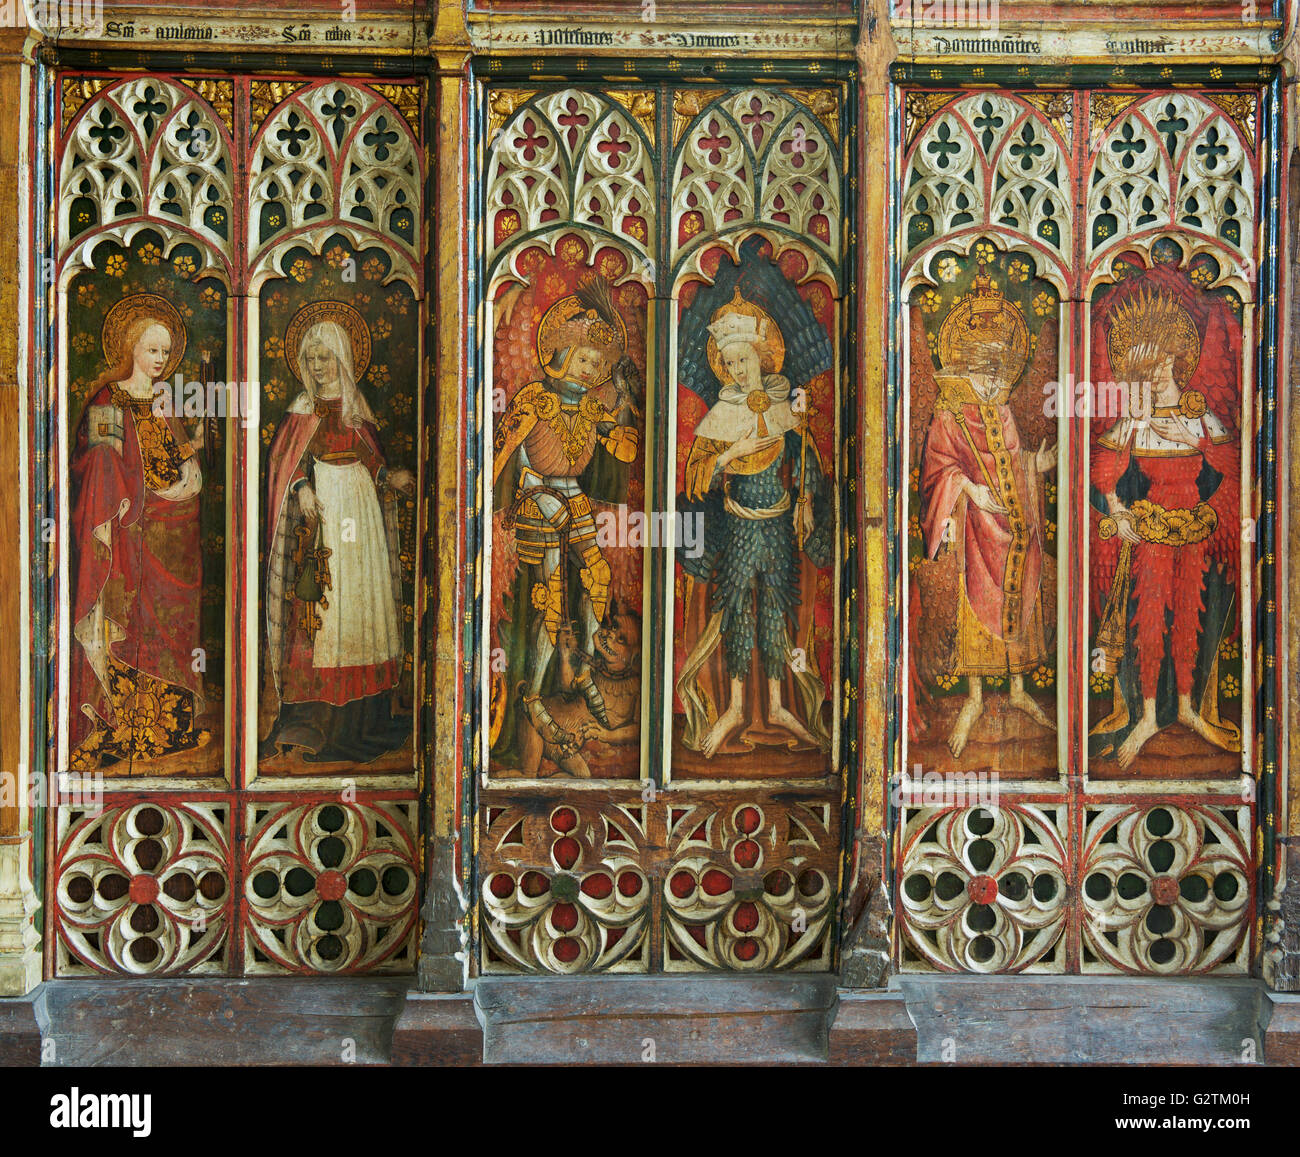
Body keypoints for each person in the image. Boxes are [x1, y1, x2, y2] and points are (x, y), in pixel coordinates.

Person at [675, 290, 832, 759]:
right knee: (737, 608)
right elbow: (696, 476)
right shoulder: (722, 414)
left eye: (743, 359)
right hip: (741, 527)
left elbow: (807, 461)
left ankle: (781, 708)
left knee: (776, 613)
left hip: (779, 525)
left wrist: (805, 499)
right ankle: (735, 709)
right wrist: (728, 454)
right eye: (730, 364)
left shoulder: (786, 405)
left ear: (760, 357)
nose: (739, 370)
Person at [490, 277, 639, 767]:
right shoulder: (536, 398)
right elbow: (504, 447)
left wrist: (627, 415)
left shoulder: (592, 404)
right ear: (558, 354)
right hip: (538, 493)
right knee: (550, 593)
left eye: (598, 361)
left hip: (573, 497)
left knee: (595, 578)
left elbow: (622, 450)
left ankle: (582, 673)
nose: (591, 366)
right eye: (583, 357)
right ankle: (533, 691)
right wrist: (489, 501)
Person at [1092, 288, 1239, 768]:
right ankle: (1149, 714)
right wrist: (1116, 508)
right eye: (1139, 372)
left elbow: (1233, 464)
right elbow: (1101, 465)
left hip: (1194, 524)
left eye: (1154, 369)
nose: (1148, 380)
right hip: (1151, 527)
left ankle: (1191, 709)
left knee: (1191, 616)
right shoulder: (1136, 417)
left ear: (1174, 361)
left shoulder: (1197, 414)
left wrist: (1192, 439)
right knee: (1149, 618)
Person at [262, 306, 415, 763]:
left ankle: (360, 720)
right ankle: (310, 720)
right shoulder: (301, 409)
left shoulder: (357, 406)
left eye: (325, 358)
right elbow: (282, 464)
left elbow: (373, 461)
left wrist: (393, 476)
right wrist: (301, 485)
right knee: (321, 615)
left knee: (361, 610)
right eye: (310, 359)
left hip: (361, 514)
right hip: (324, 513)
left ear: (342, 360)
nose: (316, 367)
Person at [919, 268, 1057, 758]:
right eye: (982, 370)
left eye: (999, 371)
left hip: (1014, 524)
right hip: (975, 529)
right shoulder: (948, 415)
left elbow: (1014, 459)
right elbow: (938, 469)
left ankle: (1019, 689)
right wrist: (971, 493)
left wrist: (1038, 464)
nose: (991, 380)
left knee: (1020, 598)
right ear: (964, 369)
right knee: (977, 601)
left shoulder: (1001, 410)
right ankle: (975, 699)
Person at [70, 296, 210, 769]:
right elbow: (99, 464)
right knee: (131, 625)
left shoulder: (165, 401)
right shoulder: (108, 401)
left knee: (172, 627)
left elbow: (175, 452)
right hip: (132, 533)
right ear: (131, 349)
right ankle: (125, 728)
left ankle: (171, 727)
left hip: (175, 532)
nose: (160, 360)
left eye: (166, 353)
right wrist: (123, 497)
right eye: (152, 350)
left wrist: (193, 457)